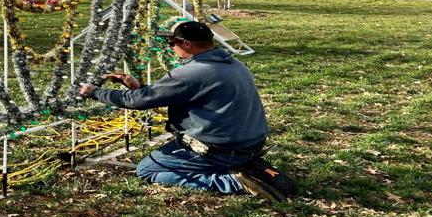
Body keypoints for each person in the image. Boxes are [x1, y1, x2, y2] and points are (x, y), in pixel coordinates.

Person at [79, 21, 299, 202]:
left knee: (147, 170)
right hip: (248, 142)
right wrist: (140, 88)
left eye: (172, 43)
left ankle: (234, 181)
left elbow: (135, 102)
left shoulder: (193, 72)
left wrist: (94, 91)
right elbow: (178, 95)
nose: (170, 48)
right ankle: (240, 165)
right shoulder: (233, 64)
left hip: (219, 148)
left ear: (186, 44)